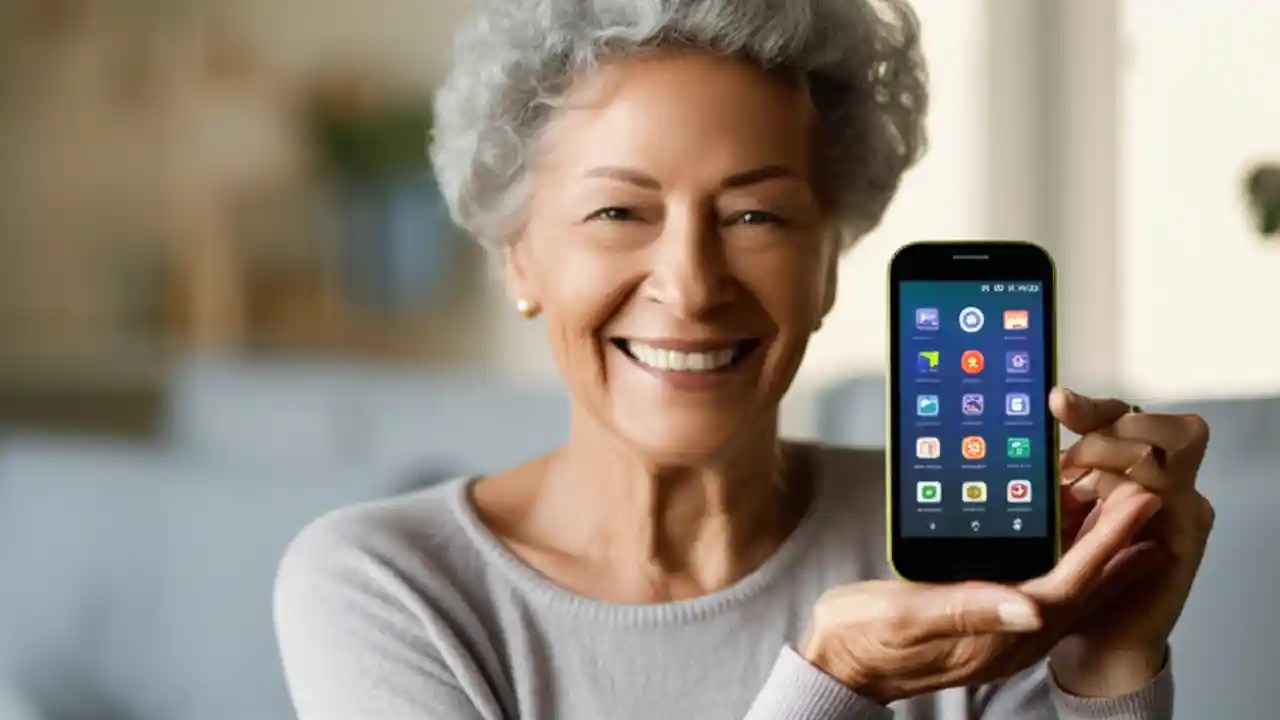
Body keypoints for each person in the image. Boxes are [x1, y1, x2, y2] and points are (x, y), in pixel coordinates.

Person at [273, 1, 1215, 717]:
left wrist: (1108, 669)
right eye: (619, 211)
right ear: (520, 256)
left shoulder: (966, 552)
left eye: (755, 215)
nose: (689, 286)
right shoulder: (385, 584)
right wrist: (831, 687)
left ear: (827, 262)